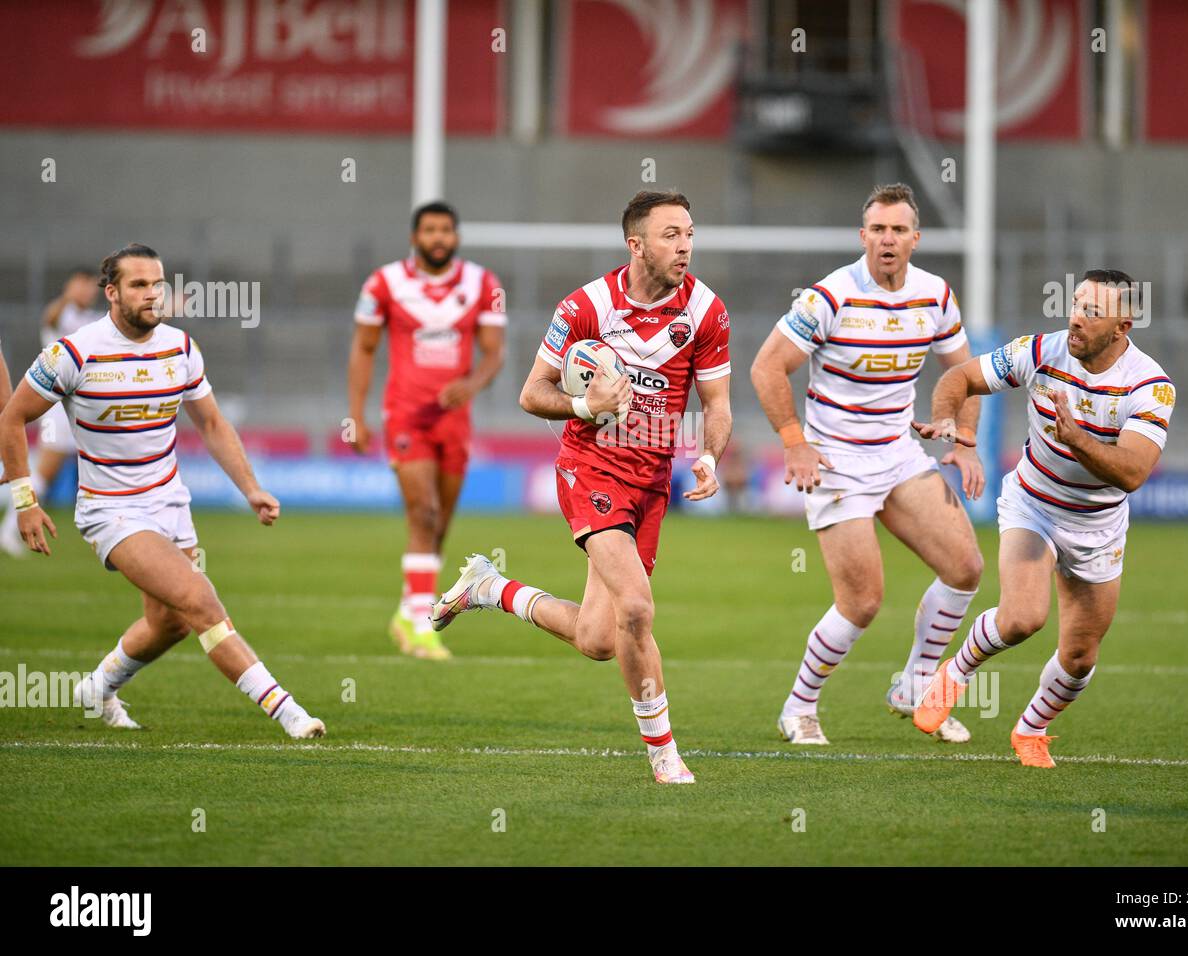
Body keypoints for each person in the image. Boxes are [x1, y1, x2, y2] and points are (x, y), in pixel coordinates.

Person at [431, 190, 732, 785]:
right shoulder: (586, 307)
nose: (685, 246)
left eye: (689, 233)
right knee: (639, 609)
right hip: (590, 468)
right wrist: (583, 404)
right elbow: (530, 393)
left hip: (651, 481)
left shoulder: (705, 311)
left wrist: (710, 457)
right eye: (671, 235)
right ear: (636, 243)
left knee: (599, 639)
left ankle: (491, 589)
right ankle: (664, 754)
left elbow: (717, 403)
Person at [0, 243, 325, 738]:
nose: (153, 294)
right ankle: (289, 712)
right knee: (200, 600)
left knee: (170, 623)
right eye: (139, 285)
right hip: (111, 512)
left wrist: (250, 488)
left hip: (170, 503)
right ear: (111, 293)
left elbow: (212, 423)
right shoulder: (74, 351)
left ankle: (98, 688)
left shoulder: (180, 347)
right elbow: (13, 417)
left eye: (158, 284)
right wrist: (25, 501)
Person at [750, 183, 985, 746]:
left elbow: (966, 373)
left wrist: (967, 437)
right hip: (836, 464)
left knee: (966, 568)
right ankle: (798, 708)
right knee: (862, 602)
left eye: (898, 230)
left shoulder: (935, 295)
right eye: (878, 229)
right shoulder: (828, 297)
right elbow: (766, 368)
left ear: (915, 238)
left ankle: (915, 685)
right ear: (863, 236)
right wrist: (793, 441)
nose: (888, 239)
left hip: (899, 455)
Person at [910, 270, 1174, 767]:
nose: (1076, 318)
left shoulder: (1150, 386)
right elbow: (960, 377)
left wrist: (1077, 439)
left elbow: (1133, 472)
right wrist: (947, 416)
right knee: (1023, 618)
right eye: (1076, 304)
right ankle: (956, 673)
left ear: (1123, 326)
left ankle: (1031, 729)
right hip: (1033, 504)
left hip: (1098, 527)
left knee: (1080, 658)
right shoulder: (1040, 352)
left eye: (1093, 312)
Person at [347, 201, 507, 660]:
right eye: (429, 230)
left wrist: (471, 383)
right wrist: (355, 414)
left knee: (439, 527)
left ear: (455, 237)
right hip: (406, 416)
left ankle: (405, 610)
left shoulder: (483, 283)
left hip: (455, 420)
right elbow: (363, 348)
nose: (438, 237)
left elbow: (494, 353)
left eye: (445, 230)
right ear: (414, 237)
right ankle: (421, 625)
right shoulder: (384, 283)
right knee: (424, 514)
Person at [0, 269, 101, 556]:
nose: (86, 291)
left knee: (62, 472)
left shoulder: (92, 320)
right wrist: (67, 297)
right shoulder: (63, 313)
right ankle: (9, 528)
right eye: (80, 285)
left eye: (90, 286)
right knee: (45, 470)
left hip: (81, 407)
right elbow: (50, 318)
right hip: (55, 406)